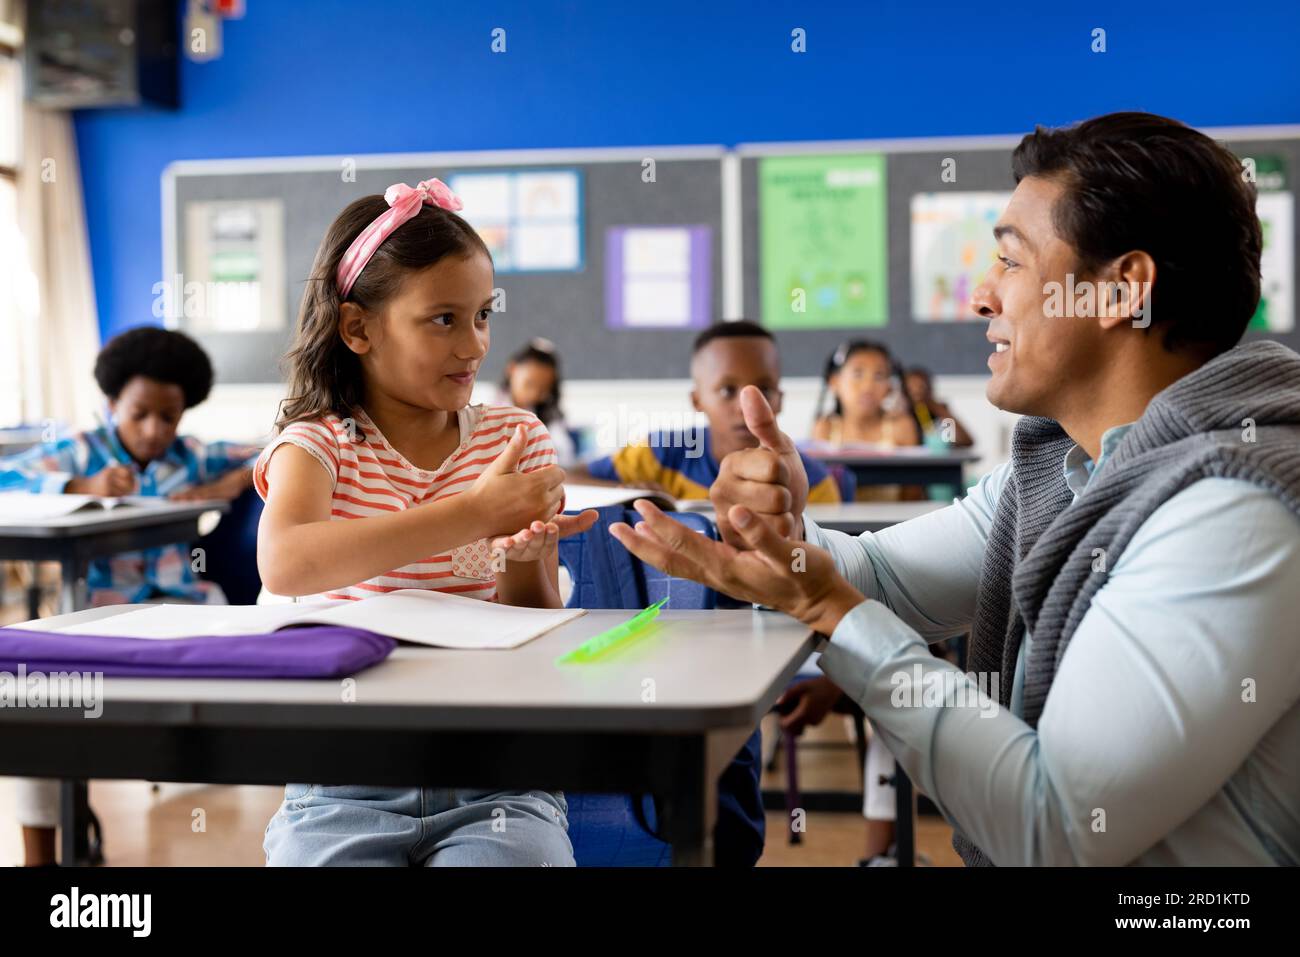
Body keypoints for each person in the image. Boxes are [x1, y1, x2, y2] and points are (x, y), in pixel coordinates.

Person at [610, 112, 1300, 865]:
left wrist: (823, 606)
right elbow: (885, 579)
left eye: (1011, 260)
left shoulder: (1231, 506)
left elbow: (1057, 829)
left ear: (1121, 290)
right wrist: (785, 536)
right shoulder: (1067, 466)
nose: (980, 295)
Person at [254, 177, 597, 865]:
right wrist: (470, 512)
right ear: (358, 327)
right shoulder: (319, 442)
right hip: (342, 780)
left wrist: (526, 552)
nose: (473, 346)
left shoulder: (515, 437)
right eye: (443, 319)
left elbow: (529, 616)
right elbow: (287, 560)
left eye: (481, 316)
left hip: (495, 776)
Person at [0, 324, 261, 866]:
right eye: (139, 412)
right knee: (29, 697)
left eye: (169, 416)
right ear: (112, 401)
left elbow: (277, 450)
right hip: (99, 616)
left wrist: (226, 486)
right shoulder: (80, 452)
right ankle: (41, 856)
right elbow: (6, 478)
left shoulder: (191, 456)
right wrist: (81, 487)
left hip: (187, 612)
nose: (153, 430)